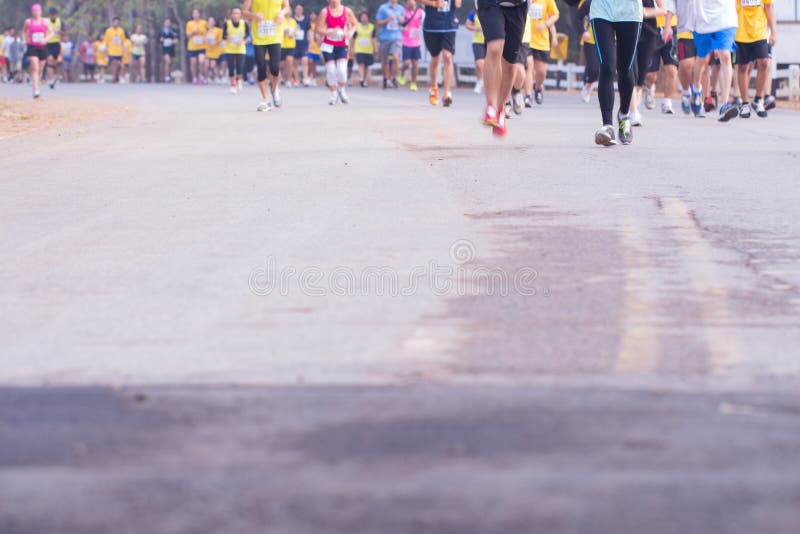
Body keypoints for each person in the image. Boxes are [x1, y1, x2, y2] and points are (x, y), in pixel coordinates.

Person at [590, 0, 647, 146]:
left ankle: (624, 114)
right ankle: (607, 126)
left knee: (625, 70)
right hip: (601, 10)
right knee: (607, 67)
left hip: (630, 14)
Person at [477, 0, 528, 137]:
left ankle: (500, 109)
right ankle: (491, 106)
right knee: (494, 47)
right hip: (490, 3)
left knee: (509, 63)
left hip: (518, 6)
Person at [691, 0, 739, 121]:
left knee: (725, 55)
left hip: (725, 19)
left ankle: (724, 104)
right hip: (703, 19)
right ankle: (696, 88)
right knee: (702, 59)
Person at [243, 0, 291, 111]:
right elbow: (244, 12)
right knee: (261, 67)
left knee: (274, 68)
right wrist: (254, 15)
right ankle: (266, 99)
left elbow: (287, 7)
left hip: (275, 34)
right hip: (259, 36)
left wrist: (281, 14)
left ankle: (275, 88)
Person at [734, 0, 776, 118]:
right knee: (742, 67)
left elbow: (768, 7)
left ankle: (758, 99)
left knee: (764, 63)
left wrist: (773, 31)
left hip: (759, 31)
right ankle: (745, 103)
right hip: (741, 31)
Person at [630, 1, 666, 126]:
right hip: (628, 30)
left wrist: (645, 12)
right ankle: (633, 111)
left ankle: (639, 90)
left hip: (649, 32)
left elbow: (663, 10)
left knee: (642, 73)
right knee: (630, 71)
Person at [421, 0, 461, 107]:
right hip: (431, 27)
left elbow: (458, 4)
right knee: (435, 60)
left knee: (447, 57)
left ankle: (447, 93)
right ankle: (434, 87)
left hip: (449, 25)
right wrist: (433, 3)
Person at [317, 0, 357, 105]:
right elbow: (318, 29)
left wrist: (350, 32)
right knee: (330, 70)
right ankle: (333, 93)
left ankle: (342, 90)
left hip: (342, 44)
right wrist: (329, 32)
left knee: (342, 70)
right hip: (328, 45)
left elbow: (355, 24)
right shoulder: (324, 12)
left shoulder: (346, 11)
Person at [527, 0, 559, 106]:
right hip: (526, 40)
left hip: (541, 42)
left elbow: (554, 16)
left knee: (541, 72)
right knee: (529, 67)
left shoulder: (547, 1)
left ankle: (538, 88)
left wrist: (552, 33)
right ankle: (528, 95)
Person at [376, 0, 406, 89]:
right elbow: (378, 22)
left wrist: (402, 21)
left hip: (397, 37)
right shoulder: (383, 8)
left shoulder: (401, 8)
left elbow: (403, 21)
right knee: (385, 60)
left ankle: (393, 78)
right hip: (385, 37)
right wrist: (388, 20)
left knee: (396, 58)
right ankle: (385, 78)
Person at [22, 4, 48, 97]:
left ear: (41, 12)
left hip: (43, 47)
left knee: (40, 69)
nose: (36, 13)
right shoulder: (28, 22)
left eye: (38, 11)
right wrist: (24, 40)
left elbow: (52, 32)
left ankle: (35, 81)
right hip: (32, 46)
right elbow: (24, 31)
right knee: (35, 66)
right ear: (32, 12)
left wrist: (46, 38)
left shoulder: (45, 21)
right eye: (34, 11)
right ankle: (36, 89)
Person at [577, 0, 598, 104]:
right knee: (594, 69)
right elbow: (577, 18)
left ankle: (606, 100)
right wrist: (582, 32)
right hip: (590, 41)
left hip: (610, 40)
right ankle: (589, 84)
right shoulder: (589, 2)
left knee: (609, 70)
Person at [223, 7, 249, 93]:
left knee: (239, 67)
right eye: (234, 13)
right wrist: (228, 37)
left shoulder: (244, 23)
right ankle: (233, 85)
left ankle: (238, 81)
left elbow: (248, 34)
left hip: (240, 48)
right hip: (230, 49)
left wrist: (242, 39)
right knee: (231, 67)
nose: (235, 15)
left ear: (240, 15)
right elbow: (223, 35)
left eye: (237, 13)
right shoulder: (227, 23)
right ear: (231, 14)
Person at [399, 0, 423, 91]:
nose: (410, 2)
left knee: (415, 63)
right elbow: (399, 24)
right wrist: (402, 26)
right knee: (407, 63)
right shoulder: (403, 11)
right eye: (408, 1)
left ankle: (413, 83)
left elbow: (425, 22)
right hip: (406, 41)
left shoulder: (421, 12)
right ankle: (402, 75)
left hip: (416, 41)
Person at [353, 12, 376, 87]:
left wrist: (375, 47)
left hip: (368, 49)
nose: (364, 18)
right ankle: (361, 79)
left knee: (366, 66)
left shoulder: (371, 27)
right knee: (361, 64)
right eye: (362, 17)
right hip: (359, 48)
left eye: (365, 17)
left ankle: (364, 80)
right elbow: (353, 38)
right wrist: (351, 48)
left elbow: (374, 38)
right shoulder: (357, 26)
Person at [186, 9, 208, 84]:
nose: (195, 15)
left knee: (201, 61)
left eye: (197, 13)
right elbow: (188, 36)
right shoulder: (189, 23)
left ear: (199, 14)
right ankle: (194, 77)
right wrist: (193, 32)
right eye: (194, 13)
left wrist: (204, 37)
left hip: (202, 46)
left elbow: (207, 32)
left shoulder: (204, 23)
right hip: (192, 46)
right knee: (193, 62)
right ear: (192, 15)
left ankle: (200, 75)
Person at [465, 10, 485, 94]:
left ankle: (484, 81)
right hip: (477, 41)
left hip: (490, 41)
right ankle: (480, 81)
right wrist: (476, 28)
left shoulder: (493, 10)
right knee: (479, 63)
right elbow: (467, 25)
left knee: (489, 63)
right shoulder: (474, 13)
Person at [103, 17, 126, 83]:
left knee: (119, 65)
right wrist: (106, 51)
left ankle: (116, 75)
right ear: (113, 22)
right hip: (111, 51)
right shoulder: (108, 31)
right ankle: (113, 77)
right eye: (115, 22)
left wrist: (123, 50)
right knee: (113, 63)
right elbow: (106, 41)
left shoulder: (121, 31)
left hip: (119, 51)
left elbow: (123, 41)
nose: (116, 23)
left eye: (117, 22)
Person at [44, 7, 63, 89]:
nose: (53, 16)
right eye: (51, 14)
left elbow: (65, 33)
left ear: (56, 15)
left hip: (56, 44)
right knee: (49, 60)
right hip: (47, 44)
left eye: (54, 14)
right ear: (49, 15)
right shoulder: (45, 22)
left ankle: (54, 76)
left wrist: (59, 32)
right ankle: (51, 81)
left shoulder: (60, 22)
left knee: (54, 62)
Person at [293, 5, 312, 86]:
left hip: (304, 43)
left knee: (305, 61)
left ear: (302, 10)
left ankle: (305, 79)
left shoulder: (306, 20)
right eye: (297, 9)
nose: (299, 10)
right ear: (295, 10)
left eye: (300, 9)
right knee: (295, 63)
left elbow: (309, 32)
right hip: (294, 44)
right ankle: (296, 80)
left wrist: (310, 43)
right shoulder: (292, 20)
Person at [205, 17, 224, 84]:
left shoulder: (218, 30)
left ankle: (217, 77)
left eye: (212, 21)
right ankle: (207, 78)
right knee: (207, 65)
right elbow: (203, 39)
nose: (211, 22)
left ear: (214, 22)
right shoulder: (206, 31)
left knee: (214, 65)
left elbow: (220, 39)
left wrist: (215, 42)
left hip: (215, 51)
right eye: (209, 21)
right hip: (208, 50)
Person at [281, 14, 298, 86]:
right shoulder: (281, 19)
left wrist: (293, 35)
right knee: (281, 65)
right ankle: (281, 78)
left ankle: (289, 79)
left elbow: (295, 33)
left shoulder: (293, 21)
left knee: (290, 61)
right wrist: (283, 32)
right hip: (281, 44)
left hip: (291, 45)